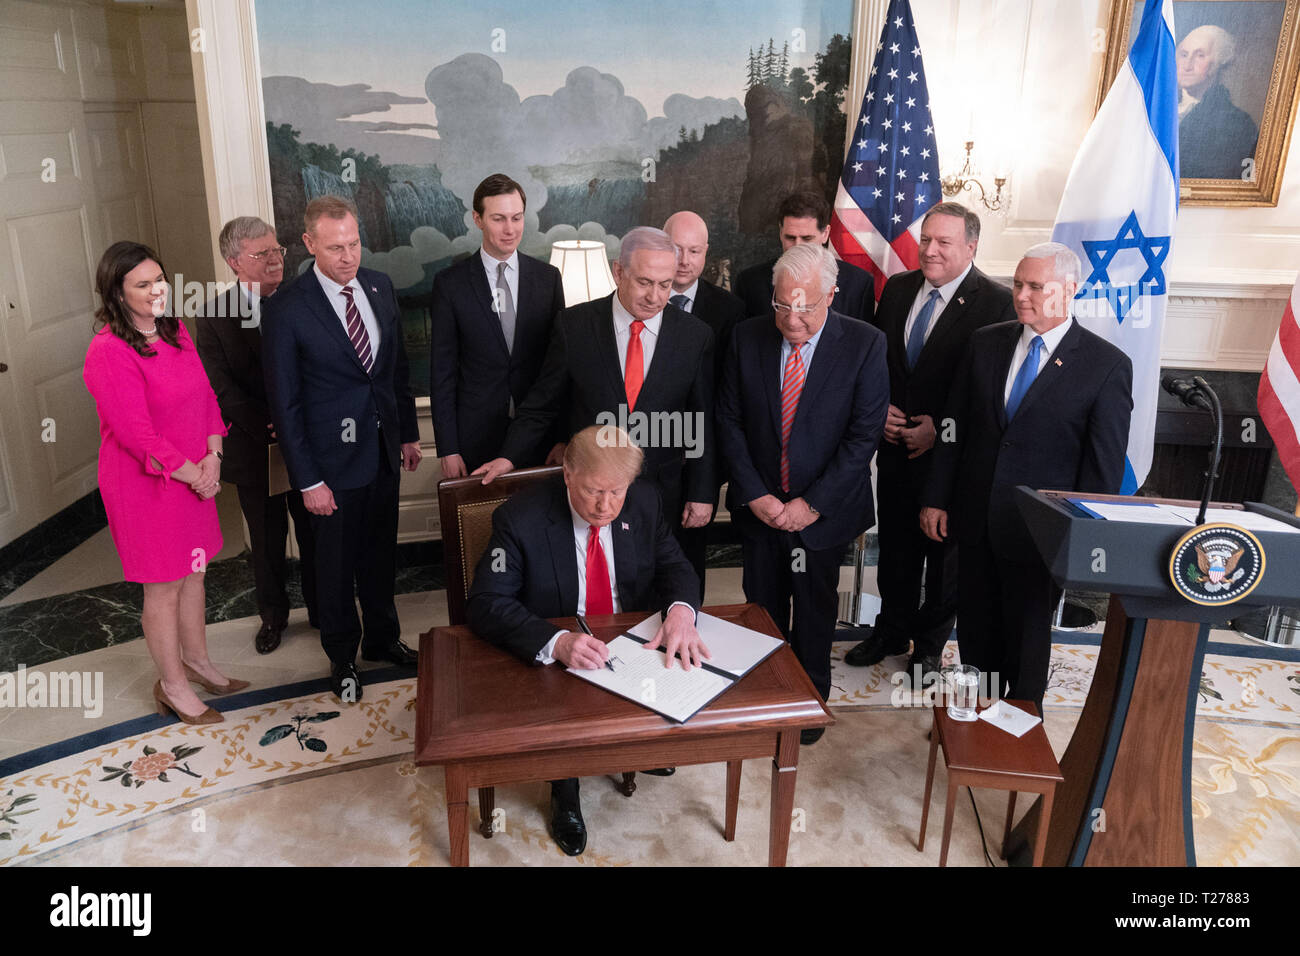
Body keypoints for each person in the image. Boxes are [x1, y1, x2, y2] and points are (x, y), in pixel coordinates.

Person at [467, 426, 706, 856]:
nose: (605, 505)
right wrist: (556, 641)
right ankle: (565, 788)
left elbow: (676, 567)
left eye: (617, 492)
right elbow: (486, 601)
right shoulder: (519, 517)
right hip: (554, 655)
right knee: (565, 705)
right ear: (566, 473)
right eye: (594, 491)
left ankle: (629, 752)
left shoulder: (645, 501)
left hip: (625, 641)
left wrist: (682, 614)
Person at [920, 243, 1133, 714]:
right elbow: (953, 429)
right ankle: (976, 720)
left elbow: (1102, 466)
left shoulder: (1105, 365)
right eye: (1018, 284)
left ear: (1069, 291)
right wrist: (936, 497)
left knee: (1027, 636)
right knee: (975, 628)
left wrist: (1082, 536)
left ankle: (1017, 726)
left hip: (1042, 533)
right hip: (974, 520)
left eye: (1036, 286)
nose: (1021, 295)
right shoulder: (985, 343)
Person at [716, 243, 889, 741]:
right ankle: (762, 690)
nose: (792, 318)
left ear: (831, 296)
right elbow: (728, 421)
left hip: (824, 512)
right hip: (761, 509)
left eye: (805, 306)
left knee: (814, 608)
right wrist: (756, 495)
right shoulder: (746, 338)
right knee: (761, 605)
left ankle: (809, 700)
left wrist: (810, 505)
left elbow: (862, 438)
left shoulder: (865, 344)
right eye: (782, 304)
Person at [474, 227, 716, 573]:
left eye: (665, 285)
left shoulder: (696, 335)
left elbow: (700, 422)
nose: (655, 296)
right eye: (645, 282)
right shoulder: (575, 326)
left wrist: (702, 491)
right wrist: (508, 457)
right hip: (591, 492)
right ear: (619, 272)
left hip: (663, 492)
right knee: (595, 582)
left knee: (662, 584)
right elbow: (543, 403)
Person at [263, 196, 423, 703]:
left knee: (379, 555)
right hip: (329, 468)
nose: (348, 256)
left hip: (381, 453)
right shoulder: (287, 307)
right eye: (336, 247)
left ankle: (382, 638)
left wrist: (407, 434)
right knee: (333, 568)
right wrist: (307, 479)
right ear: (309, 244)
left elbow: (394, 369)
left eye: (354, 243)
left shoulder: (379, 286)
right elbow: (284, 405)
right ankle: (342, 658)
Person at [845, 203, 1013, 678]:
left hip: (951, 459)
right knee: (896, 548)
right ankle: (891, 629)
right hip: (895, 450)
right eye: (926, 240)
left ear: (971, 247)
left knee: (944, 558)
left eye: (944, 242)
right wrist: (879, 411)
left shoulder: (997, 303)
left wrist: (937, 429)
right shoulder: (898, 288)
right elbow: (876, 363)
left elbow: (990, 390)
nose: (930, 250)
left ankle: (930, 646)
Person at [83, 241, 248, 725]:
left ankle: (197, 662)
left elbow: (207, 400)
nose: (157, 291)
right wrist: (194, 473)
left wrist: (214, 456)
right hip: (145, 486)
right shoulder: (109, 350)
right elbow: (137, 434)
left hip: (196, 473)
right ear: (116, 292)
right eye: (143, 284)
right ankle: (172, 685)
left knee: (194, 572)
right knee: (164, 586)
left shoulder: (176, 332)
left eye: (160, 279)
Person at [195, 216, 318, 655]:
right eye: (261, 254)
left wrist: (292, 421)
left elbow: (319, 367)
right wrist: (270, 422)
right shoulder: (212, 316)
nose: (274, 260)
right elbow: (219, 387)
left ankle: (323, 610)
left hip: (306, 440)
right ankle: (273, 617)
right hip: (253, 445)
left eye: (277, 250)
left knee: (315, 530)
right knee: (265, 540)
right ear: (234, 262)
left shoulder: (305, 299)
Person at [429, 173, 566, 476]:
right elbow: (442, 372)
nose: (510, 229)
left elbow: (559, 369)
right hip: (474, 437)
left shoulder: (548, 279)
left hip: (540, 438)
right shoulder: (450, 285)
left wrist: (562, 437)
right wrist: (448, 447)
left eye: (517, 218)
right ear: (477, 219)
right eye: (499, 219)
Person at [662, 210, 747, 599]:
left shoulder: (730, 311)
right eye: (676, 249)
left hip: (698, 458)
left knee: (687, 555)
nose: (684, 260)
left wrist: (707, 478)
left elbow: (728, 400)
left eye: (694, 251)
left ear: (706, 253)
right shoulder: (641, 297)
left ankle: (685, 626)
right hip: (639, 454)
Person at [733, 190, 874, 323]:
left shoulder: (858, 283)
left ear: (825, 234)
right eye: (790, 237)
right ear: (780, 232)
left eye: (807, 238)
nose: (797, 246)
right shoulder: (750, 282)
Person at [1176, 24, 1258, 179]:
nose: (1187, 66)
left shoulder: (1238, 124)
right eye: (1184, 54)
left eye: (1200, 55)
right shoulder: (1154, 108)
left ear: (1219, 62)